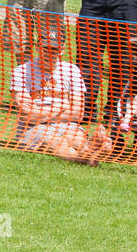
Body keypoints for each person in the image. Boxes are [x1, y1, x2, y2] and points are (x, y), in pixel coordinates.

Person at [11, 23, 112, 165]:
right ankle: (87, 155)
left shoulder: (72, 70)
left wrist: (41, 113)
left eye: (55, 49)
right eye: (46, 48)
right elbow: (27, 115)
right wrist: (61, 106)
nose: (50, 54)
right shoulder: (21, 71)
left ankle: (93, 148)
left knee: (76, 138)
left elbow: (78, 113)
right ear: (37, 46)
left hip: (68, 126)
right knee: (56, 140)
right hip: (33, 128)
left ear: (62, 50)